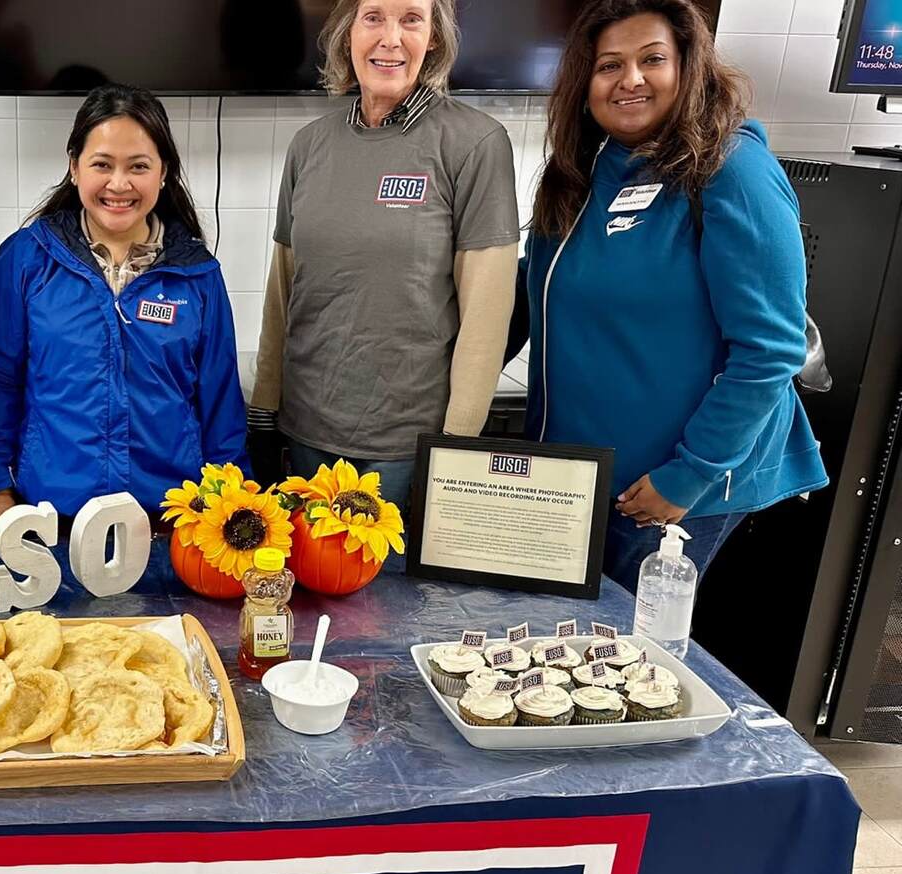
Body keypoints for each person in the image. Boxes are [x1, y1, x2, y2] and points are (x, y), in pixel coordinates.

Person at [517, 0, 828, 592]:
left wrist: (690, 475)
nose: (630, 79)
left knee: (623, 666)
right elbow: (534, 290)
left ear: (689, 68)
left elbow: (769, 352)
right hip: (578, 478)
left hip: (671, 488)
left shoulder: (734, 169)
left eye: (651, 59)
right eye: (609, 64)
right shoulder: (580, 173)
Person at [249, 0, 520, 508]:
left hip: (405, 448)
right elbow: (282, 293)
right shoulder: (308, 147)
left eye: (411, 19)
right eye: (373, 17)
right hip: (306, 433)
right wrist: (265, 411)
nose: (390, 38)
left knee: (387, 590)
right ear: (348, 31)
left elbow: (487, 315)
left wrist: (454, 450)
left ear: (434, 37)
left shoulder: (475, 144)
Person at [0, 84, 248, 540]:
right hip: (51, 518)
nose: (119, 184)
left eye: (138, 166)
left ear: (163, 174)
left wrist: (230, 504)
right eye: (102, 165)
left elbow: (219, 400)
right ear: (74, 167)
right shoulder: (26, 259)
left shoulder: (197, 274)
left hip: (168, 521)